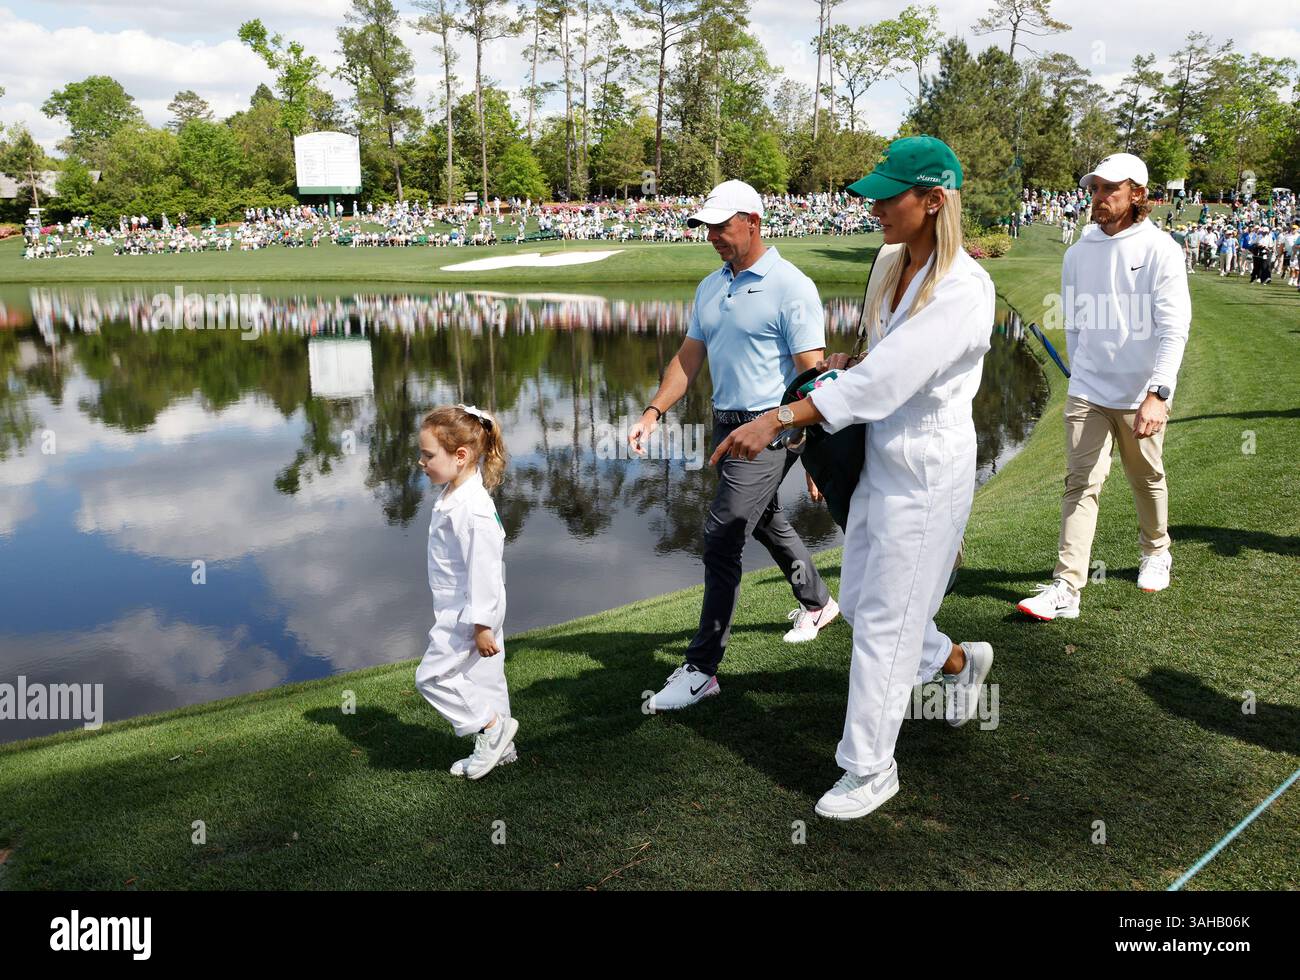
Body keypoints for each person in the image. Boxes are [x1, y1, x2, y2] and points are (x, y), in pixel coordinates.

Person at [712, 136, 996, 820]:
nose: (872, 205)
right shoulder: (892, 262)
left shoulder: (964, 289)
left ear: (933, 202)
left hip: (928, 470)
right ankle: (961, 663)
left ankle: (868, 770)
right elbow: (879, 357)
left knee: (886, 624)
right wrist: (847, 360)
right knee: (872, 603)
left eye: (887, 195)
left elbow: (888, 382)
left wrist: (779, 419)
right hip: (879, 458)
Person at [630, 179, 838, 712]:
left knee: (722, 533)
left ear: (753, 221)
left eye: (722, 226)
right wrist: (655, 411)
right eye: (708, 227)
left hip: (772, 427)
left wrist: (814, 450)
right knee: (764, 519)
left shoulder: (792, 286)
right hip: (725, 424)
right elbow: (688, 358)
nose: (714, 236)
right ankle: (817, 602)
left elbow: (813, 376)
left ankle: (702, 669)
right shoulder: (710, 286)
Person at [1018, 152, 1191, 621]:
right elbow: (1075, 321)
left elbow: (1174, 328)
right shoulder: (1078, 252)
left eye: (1109, 189)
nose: (1097, 197)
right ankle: (1067, 588)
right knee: (1080, 485)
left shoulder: (1161, 250)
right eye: (1094, 188)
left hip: (1140, 394)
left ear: (1137, 194)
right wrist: (1081, 373)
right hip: (1088, 391)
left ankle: (1156, 551)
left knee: (1146, 478)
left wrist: (1159, 392)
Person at [414, 403, 518, 779]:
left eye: (427, 455)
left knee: (431, 677)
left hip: (468, 613)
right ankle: (502, 749)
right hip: (466, 609)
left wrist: (481, 624)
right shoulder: (454, 496)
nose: (420, 462)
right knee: (484, 677)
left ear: (460, 456)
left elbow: (485, 570)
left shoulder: (472, 510)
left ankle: (492, 728)